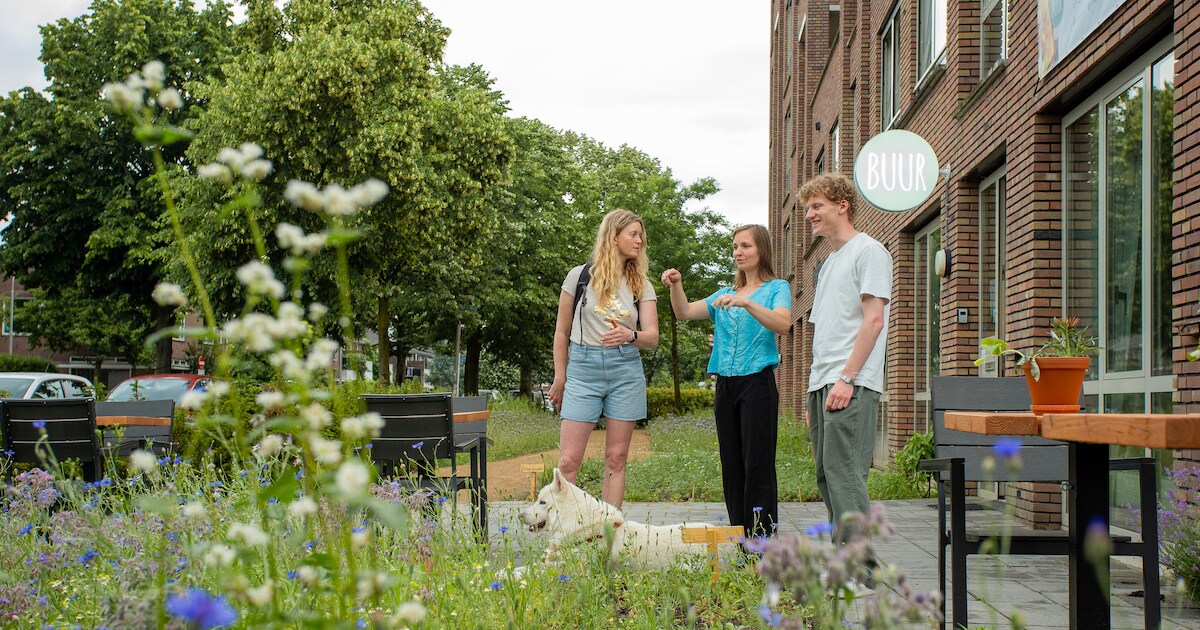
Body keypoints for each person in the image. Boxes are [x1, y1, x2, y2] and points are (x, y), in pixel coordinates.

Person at [661, 225, 791, 536]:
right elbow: (683, 311)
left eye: (745, 246)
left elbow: (783, 323)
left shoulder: (777, 288)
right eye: (735, 247)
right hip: (726, 386)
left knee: (757, 464)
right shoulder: (724, 294)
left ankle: (761, 544)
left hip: (757, 384)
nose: (738, 252)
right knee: (732, 466)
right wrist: (676, 285)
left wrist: (747, 303)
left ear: (761, 250)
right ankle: (739, 538)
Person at [800, 173, 892, 541]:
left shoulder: (869, 251)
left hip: (849, 383)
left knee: (846, 476)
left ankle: (858, 565)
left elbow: (874, 320)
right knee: (827, 476)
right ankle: (845, 558)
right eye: (808, 208)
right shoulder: (829, 263)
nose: (809, 214)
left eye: (817, 206)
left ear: (842, 206)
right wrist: (814, 390)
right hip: (825, 383)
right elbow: (826, 332)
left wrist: (846, 378)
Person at [549, 209, 659, 508]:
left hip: (625, 369)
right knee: (568, 461)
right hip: (582, 369)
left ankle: (608, 529)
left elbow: (652, 337)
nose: (639, 240)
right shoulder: (579, 276)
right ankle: (564, 529)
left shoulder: (641, 285)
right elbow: (561, 332)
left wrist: (629, 335)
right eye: (633, 234)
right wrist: (560, 377)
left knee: (616, 458)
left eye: (641, 235)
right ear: (613, 236)